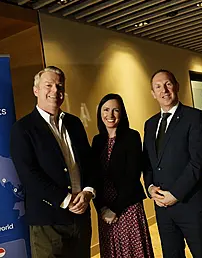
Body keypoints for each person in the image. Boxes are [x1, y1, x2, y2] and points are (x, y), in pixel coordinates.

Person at [10, 66, 96, 258]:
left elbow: (88, 163)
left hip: (80, 217)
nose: (55, 91)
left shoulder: (74, 123)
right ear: (36, 90)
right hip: (47, 222)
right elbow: (28, 175)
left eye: (59, 86)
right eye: (48, 85)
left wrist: (88, 191)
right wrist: (65, 200)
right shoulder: (22, 129)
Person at [143, 69, 202, 258]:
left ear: (176, 86)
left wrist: (175, 194)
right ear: (152, 93)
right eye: (158, 87)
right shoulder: (150, 124)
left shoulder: (195, 117)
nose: (164, 90)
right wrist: (150, 187)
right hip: (163, 210)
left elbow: (198, 161)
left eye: (168, 84)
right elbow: (148, 162)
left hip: (192, 206)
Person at [91, 93, 154, 258]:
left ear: (122, 113)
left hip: (127, 207)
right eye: (106, 110)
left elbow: (132, 176)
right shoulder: (97, 141)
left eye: (115, 110)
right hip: (105, 210)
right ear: (100, 113)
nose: (110, 115)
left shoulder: (132, 137)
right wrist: (102, 208)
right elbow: (93, 177)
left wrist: (115, 209)